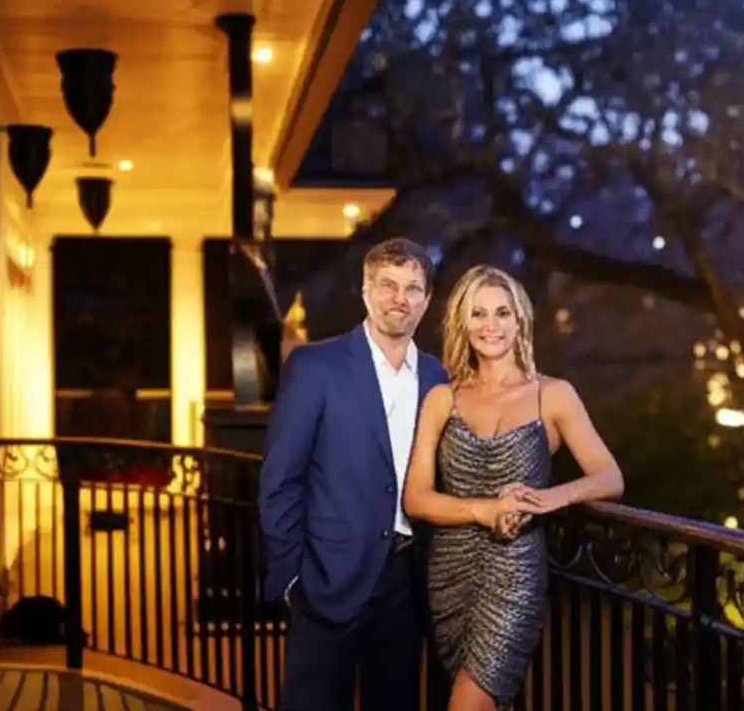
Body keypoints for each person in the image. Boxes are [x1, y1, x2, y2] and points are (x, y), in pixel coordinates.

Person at [258, 240, 537, 710]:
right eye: (387, 285)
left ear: (427, 301)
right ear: (365, 291)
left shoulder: (438, 378)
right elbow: (280, 481)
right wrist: (291, 578)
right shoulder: (315, 366)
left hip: (407, 584)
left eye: (412, 288)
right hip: (327, 578)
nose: (399, 298)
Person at [403, 264, 625, 711]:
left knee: (467, 704)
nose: (491, 325)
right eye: (479, 313)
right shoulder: (442, 398)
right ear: (463, 324)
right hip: (449, 572)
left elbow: (609, 477)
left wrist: (551, 498)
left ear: (519, 319)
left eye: (502, 313)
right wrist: (484, 510)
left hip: (515, 572)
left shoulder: (554, 395)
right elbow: (415, 497)